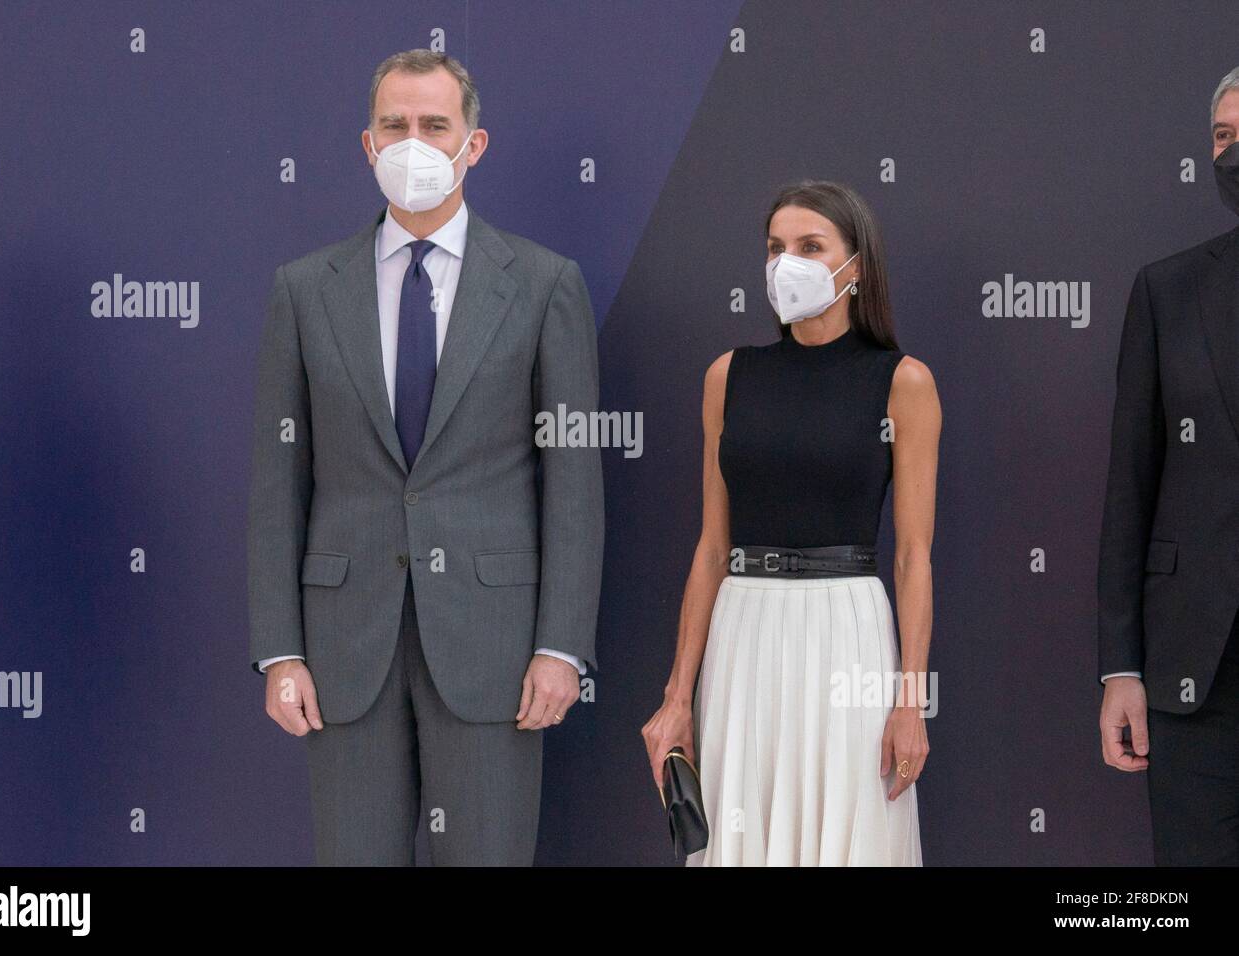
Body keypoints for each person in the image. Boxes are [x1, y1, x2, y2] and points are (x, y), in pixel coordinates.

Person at [247, 49, 603, 865]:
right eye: (395, 125)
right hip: (344, 650)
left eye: (434, 125)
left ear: (473, 145)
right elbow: (278, 485)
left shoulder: (546, 284)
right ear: (367, 145)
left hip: (497, 649)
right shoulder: (304, 289)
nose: (414, 142)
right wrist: (280, 650)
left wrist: (559, 646)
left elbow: (573, 485)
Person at [642, 180, 940, 865]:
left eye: (810, 246)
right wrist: (677, 695)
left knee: (848, 830)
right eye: (776, 248)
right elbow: (713, 547)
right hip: (743, 629)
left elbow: (913, 556)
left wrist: (910, 701)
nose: (788, 264)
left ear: (856, 264)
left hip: (850, 632)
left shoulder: (904, 383)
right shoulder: (730, 376)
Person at [1097, 66, 1239, 866]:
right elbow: (1131, 490)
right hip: (1199, 676)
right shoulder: (1168, 291)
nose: (1234, 152)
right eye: (1223, 137)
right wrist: (1120, 669)